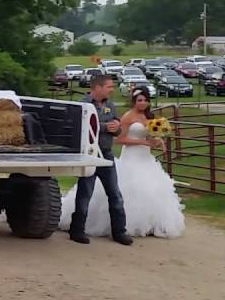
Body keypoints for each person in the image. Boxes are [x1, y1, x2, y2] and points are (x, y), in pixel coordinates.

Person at [61, 86, 185, 240]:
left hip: (145, 157)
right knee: (125, 190)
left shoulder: (149, 117)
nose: (143, 103)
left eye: (145, 100)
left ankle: (150, 223)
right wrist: (143, 142)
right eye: (139, 100)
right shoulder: (128, 116)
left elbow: (150, 136)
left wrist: (157, 141)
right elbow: (120, 139)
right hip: (132, 156)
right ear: (134, 101)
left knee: (152, 188)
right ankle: (120, 226)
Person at [62, 74, 134, 246]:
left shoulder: (110, 105)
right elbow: (81, 125)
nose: (112, 90)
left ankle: (119, 231)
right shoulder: (83, 104)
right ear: (98, 87)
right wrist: (105, 127)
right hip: (89, 154)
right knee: (85, 193)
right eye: (109, 86)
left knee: (115, 194)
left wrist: (116, 128)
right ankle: (77, 230)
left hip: (107, 154)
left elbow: (117, 128)